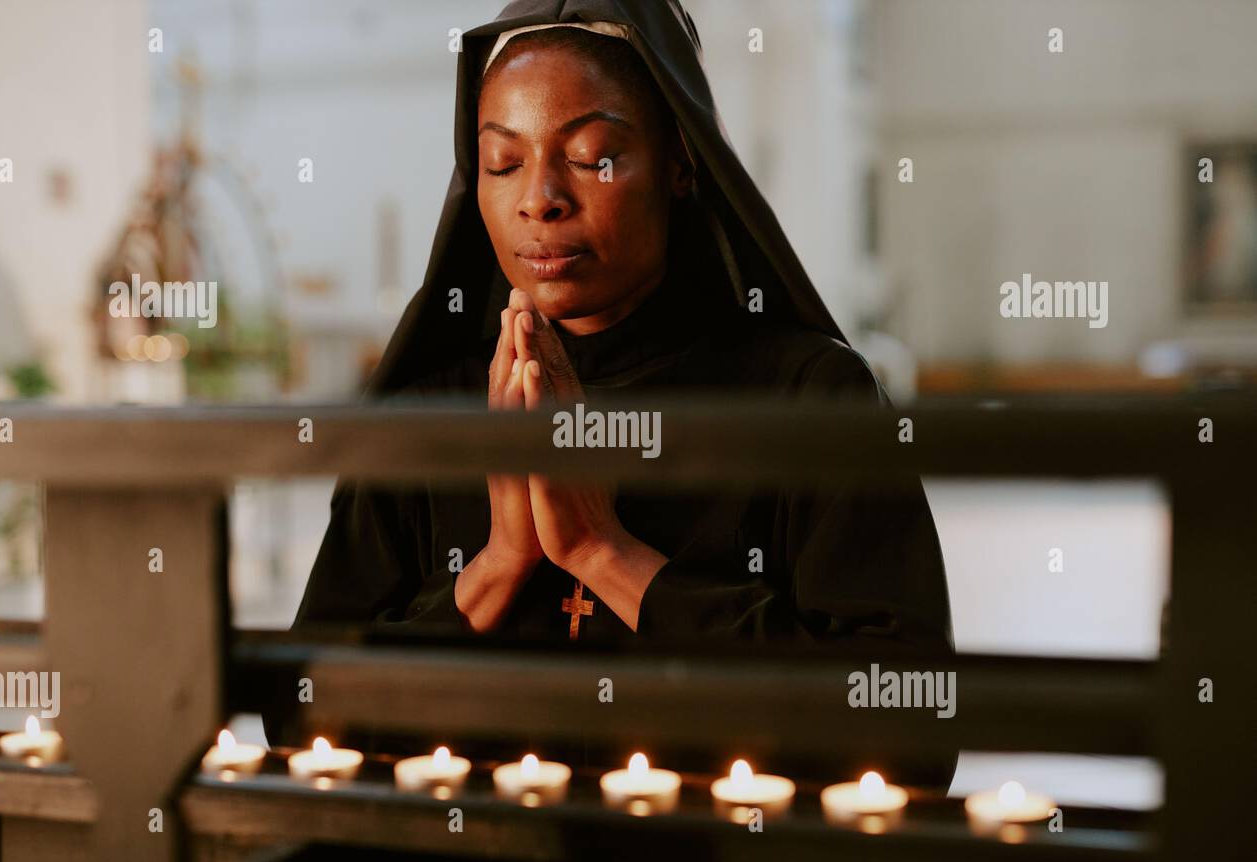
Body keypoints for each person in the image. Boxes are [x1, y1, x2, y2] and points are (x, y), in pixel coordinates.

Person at [294, 0, 954, 664]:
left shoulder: (810, 400)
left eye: (591, 157)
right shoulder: (423, 417)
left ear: (681, 163)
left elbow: (911, 726)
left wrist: (606, 554)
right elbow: (299, 703)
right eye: (503, 163)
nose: (539, 197)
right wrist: (494, 569)